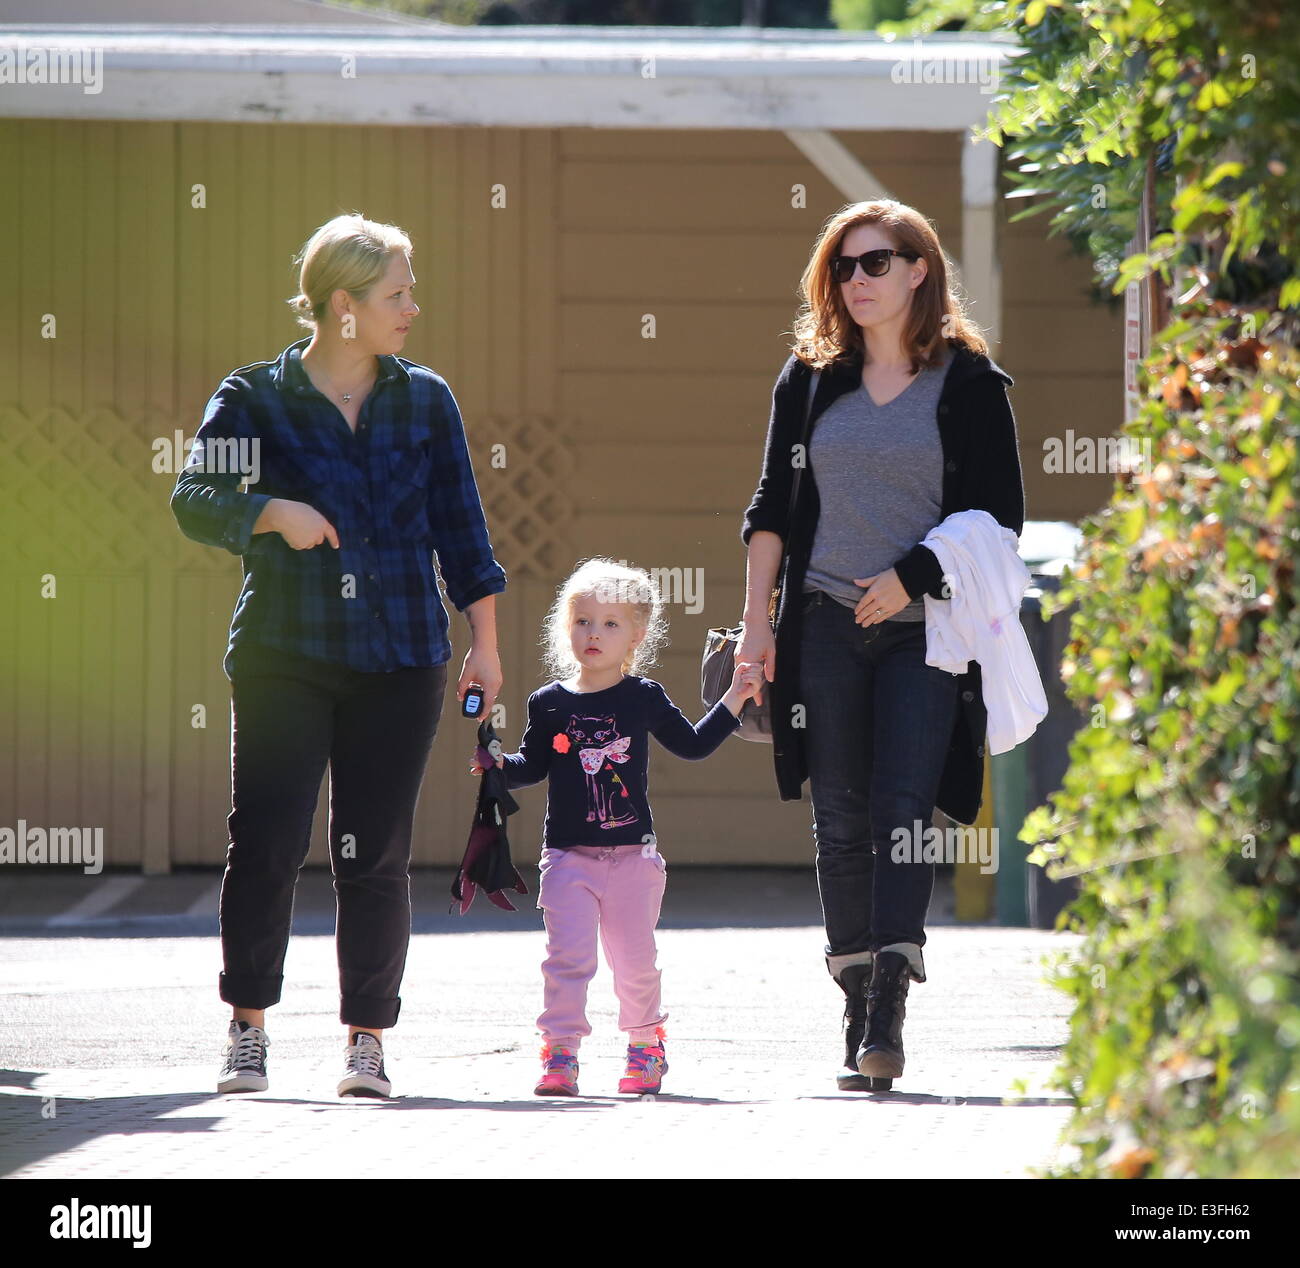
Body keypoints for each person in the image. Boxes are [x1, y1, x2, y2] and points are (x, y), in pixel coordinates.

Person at [171, 213, 506, 1098]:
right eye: (398, 294)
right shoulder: (257, 397)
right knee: (268, 841)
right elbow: (196, 496)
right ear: (343, 305)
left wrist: (487, 646)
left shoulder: (425, 399)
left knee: (376, 853)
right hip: (284, 652)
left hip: (400, 659)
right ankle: (246, 1028)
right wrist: (270, 513)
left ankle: (367, 1040)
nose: (414, 308)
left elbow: (463, 531)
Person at [736, 200, 1025, 1091]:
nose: (856, 281)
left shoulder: (970, 383)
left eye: (874, 264)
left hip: (922, 631)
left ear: (917, 272)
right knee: (842, 815)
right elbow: (772, 513)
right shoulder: (811, 378)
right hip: (820, 621)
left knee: (903, 809)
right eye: (843, 268)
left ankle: (888, 1004)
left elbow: (999, 515)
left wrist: (912, 575)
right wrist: (755, 629)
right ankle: (853, 987)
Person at [472, 558, 763, 1096]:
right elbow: (532, 767)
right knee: (567, 962)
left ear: (636, 634)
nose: (594, 634)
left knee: (634, 965)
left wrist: (735, 699)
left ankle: (645, 1047)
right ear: (566, 628)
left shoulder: (643, 697)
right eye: (583, 621)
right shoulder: (549, 703)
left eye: (610, 623)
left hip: (633, 859)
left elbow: (693, 745)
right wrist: (497, 764)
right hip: (566, 859)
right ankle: (560, 1054)